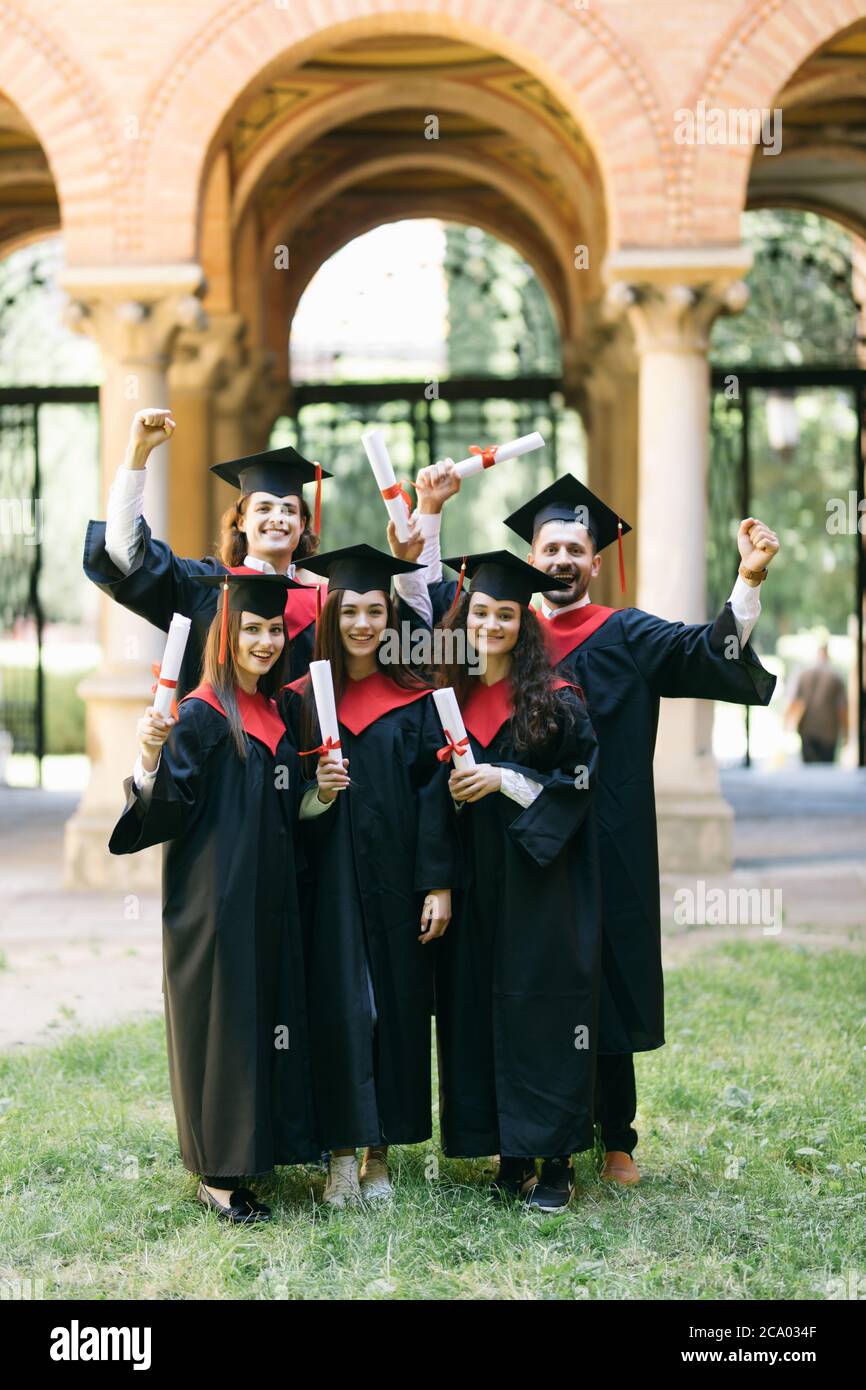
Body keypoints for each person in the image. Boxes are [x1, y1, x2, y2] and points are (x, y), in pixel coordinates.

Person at [400, 464, 780, 1186]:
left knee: (601, 980)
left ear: (595, 562)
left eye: (576, 550)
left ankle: (617, 1136)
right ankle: (528, 1135)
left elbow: (710, 654)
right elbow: (431, 605)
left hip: (607, 838)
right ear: (533, 559)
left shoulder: (626, 634)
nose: (563, 561)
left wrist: (748, 580)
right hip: (514, 846)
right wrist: (429, 513)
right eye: (551, 550)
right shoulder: (501, 636)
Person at [108, 572, 319, 1223]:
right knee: (225, 1028)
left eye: (272, 629)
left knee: (266, 1020)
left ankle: (258, 1153)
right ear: (225, 636)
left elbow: (291, 809)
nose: (263, 640)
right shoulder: (200, 714)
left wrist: (325, 787)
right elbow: (161, 808)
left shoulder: (278, 711)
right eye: (251, 629)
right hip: (216, 906)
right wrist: (146, 759)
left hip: (270, 901)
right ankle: (218, 1177)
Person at [280, 545, 455, 1209]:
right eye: (349, 609)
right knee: (340, 1009)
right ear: (331, 613)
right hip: (325, 885)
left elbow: (436, 797)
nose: (361, 621)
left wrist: (438, 882)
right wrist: (314, 788)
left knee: (395, 1009)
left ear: (389, 615)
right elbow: (281, 802)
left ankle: (381, 1150)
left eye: (373, 609)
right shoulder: (300, 700)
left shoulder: (414, 700)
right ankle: (342, 1157)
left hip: (395, 883)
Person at [432, 550, 601, 1213]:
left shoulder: (557, 700)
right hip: (476, 883)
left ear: (522, 623)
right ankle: (510, 1156)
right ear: (464, 618)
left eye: (506, 614)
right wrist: (439, 872)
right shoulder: (450, 700)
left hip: (541, 882)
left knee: (543, 1009)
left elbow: (580, 783)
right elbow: (429, 796)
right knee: (478, 1006)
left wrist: (502, 779)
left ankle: (555, 1163)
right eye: (482, 613)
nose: (492, 624)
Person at [83, 408, 333, 693]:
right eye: (263, 508)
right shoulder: (204, 586)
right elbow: (125, 554)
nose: (277, 517)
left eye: (288, 510)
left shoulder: (323, 605)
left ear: (302, 524)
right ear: (241, 520)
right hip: (211, 737)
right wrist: (137, 453)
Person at [786, 643, 847, 763]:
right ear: (828, 655)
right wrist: (846, 732)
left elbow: (794, 702)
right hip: (829, 732)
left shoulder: (804, 675)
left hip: (807, 729)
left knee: (808, 770)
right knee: (826, 771)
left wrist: (787, 724)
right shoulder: (836, 677)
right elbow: (842, 708)